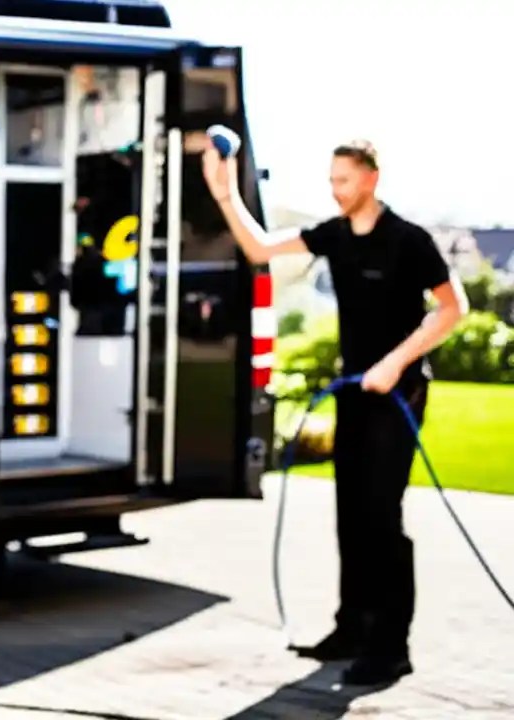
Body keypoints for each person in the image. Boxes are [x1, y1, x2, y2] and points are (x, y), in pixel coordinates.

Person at [201, 138, 467, 685]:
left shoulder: (408, 241)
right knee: (349, 514)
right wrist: (226, 194)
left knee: (381, 518)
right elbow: (259, 249)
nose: (334, 189)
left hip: (399, 394)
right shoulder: (335, 236)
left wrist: (395, 363)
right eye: (331, 180)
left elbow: (452, 307)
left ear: (370, 179)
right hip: (353, 392)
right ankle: (352, 629)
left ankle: (391, 647)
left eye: (343, 180)